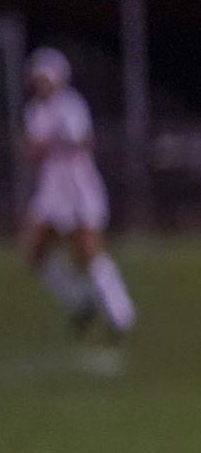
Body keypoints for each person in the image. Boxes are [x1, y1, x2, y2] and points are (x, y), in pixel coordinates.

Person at [20, 47, 136, 339]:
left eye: (45, 77)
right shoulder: (35, 110)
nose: (41, 83)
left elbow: (82, 141)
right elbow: (32, 150)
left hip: (78, 189)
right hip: (51, 190)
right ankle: (80, 301)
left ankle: (121, 313)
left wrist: (58, 140)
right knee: (35, 250)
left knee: (88, 252)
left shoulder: (71, 105)